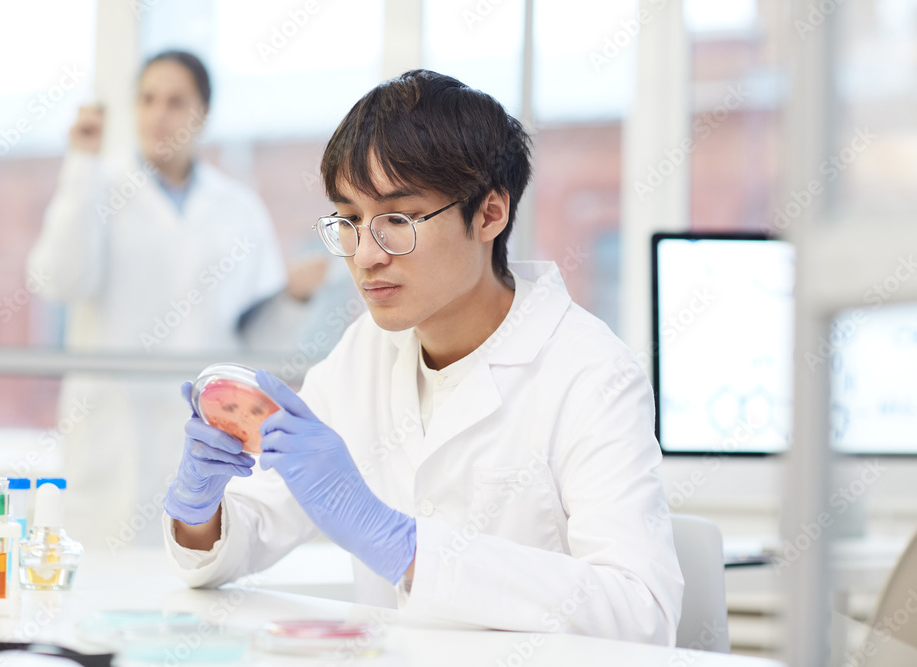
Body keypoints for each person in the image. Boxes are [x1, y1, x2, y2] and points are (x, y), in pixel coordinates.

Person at [162, 69, 683, 645]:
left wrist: (403, 546)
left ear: (490, 213)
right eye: (352, 220)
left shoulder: (591, 372)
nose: (365, 256)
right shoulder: (365, 350)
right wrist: (200, 508)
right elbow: (251, 528)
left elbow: (641, 612)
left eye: (397, 221)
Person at [27, 50, 286, 548]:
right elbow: (58, 280)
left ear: (203, 114)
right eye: (146, 99)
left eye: (174, 101)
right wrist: (81, 165)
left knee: (195, 579)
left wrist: (295, 297)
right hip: (113, 434)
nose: (157, 114)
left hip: (202, 434)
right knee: (100, 593)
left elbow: (258, 339)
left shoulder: (238, 208)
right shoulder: (99, 185)